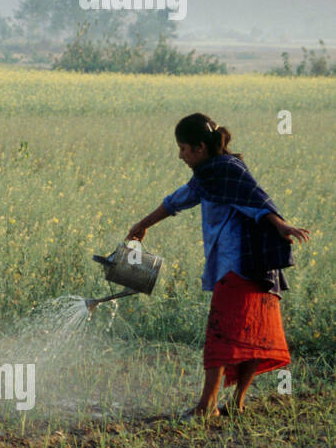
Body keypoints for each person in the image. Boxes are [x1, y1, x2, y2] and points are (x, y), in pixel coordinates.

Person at [126, 113, 310, 418]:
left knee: (222, 334)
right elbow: (178, 200)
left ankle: (207, 407)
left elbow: (256, 202)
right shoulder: (210, 174)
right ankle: (235, 404)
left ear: (200, 147)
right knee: (252, 334)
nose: (180, 155)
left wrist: (281, 224)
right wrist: (144, 224)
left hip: (239, 265)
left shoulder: (226, 170)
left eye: (184, 148)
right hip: (257, 268)